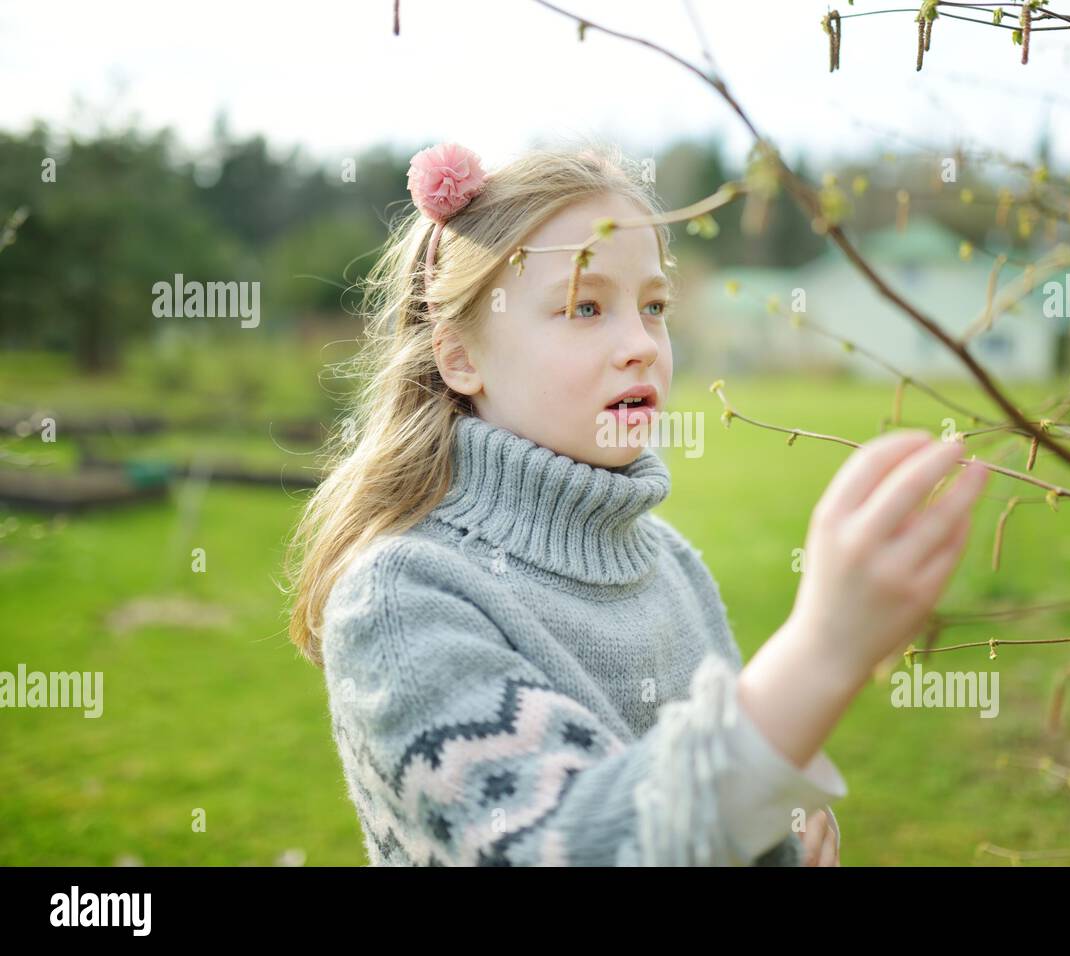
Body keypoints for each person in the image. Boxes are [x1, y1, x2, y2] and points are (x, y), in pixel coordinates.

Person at [284, 139, 988, 866]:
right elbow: (567, 845)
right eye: (586, 306)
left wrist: (780, 837)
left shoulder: (673, 566)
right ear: (461, 355)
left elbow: (713, 806)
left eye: (654, 306)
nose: (641, 344)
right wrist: (825, 650)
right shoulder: (402, 599)